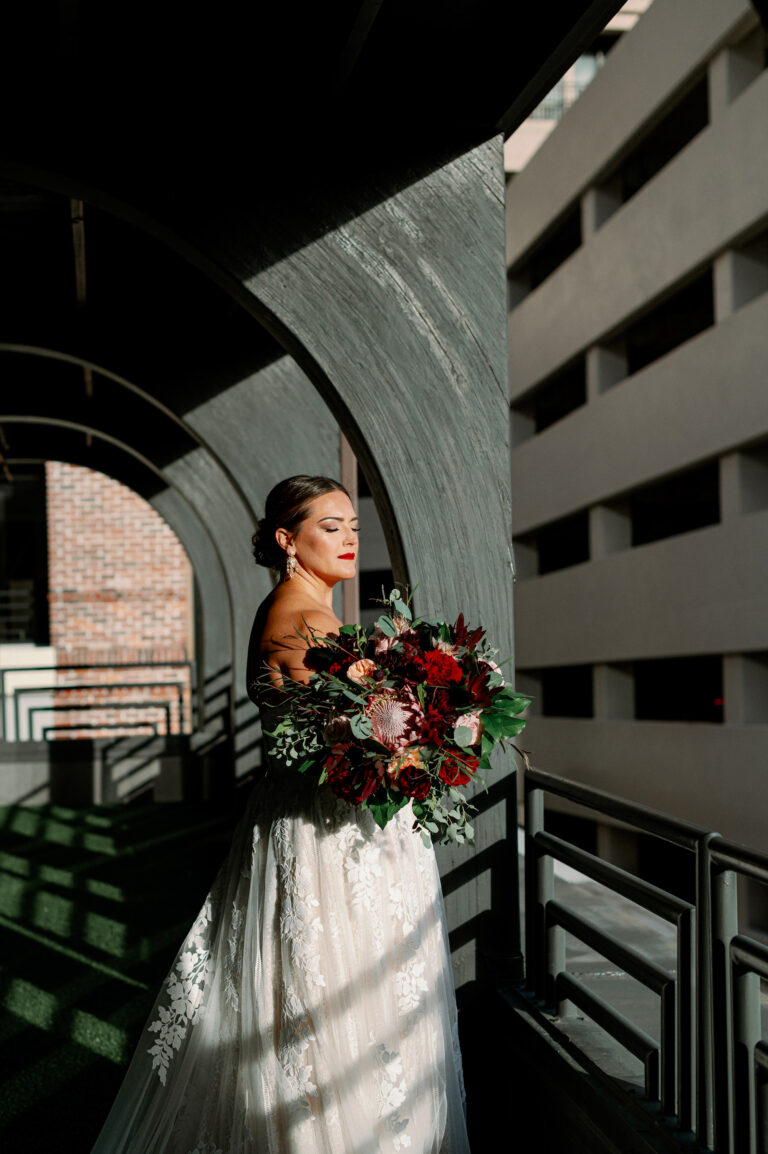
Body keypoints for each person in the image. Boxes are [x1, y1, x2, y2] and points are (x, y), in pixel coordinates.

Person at [91, 475, 470, 1153]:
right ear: (286, 539)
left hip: (308, 823)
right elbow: (350, 747)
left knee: (316, 1005)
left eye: (354, 524)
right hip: (333, 839)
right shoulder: (305, 624)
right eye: (331, 526)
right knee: (341, 1005)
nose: (351, 538)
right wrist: (426, 735)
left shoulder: (289, 610)